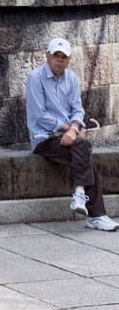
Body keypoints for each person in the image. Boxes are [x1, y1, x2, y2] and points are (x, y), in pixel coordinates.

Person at [26, 37, 117, 231]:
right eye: (56, 56)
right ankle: (95, 213)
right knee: (84, 150)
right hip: (44, 138)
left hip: (71, 137)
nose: (60, 60)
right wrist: (69, 129)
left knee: (82, 150)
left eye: (64, 57)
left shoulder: (72, 78)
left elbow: (78, 110)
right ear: (48, 55)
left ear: (69, 59)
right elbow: (39, 115)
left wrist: (74, 129)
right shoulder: (36, 78)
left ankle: (82, 196)